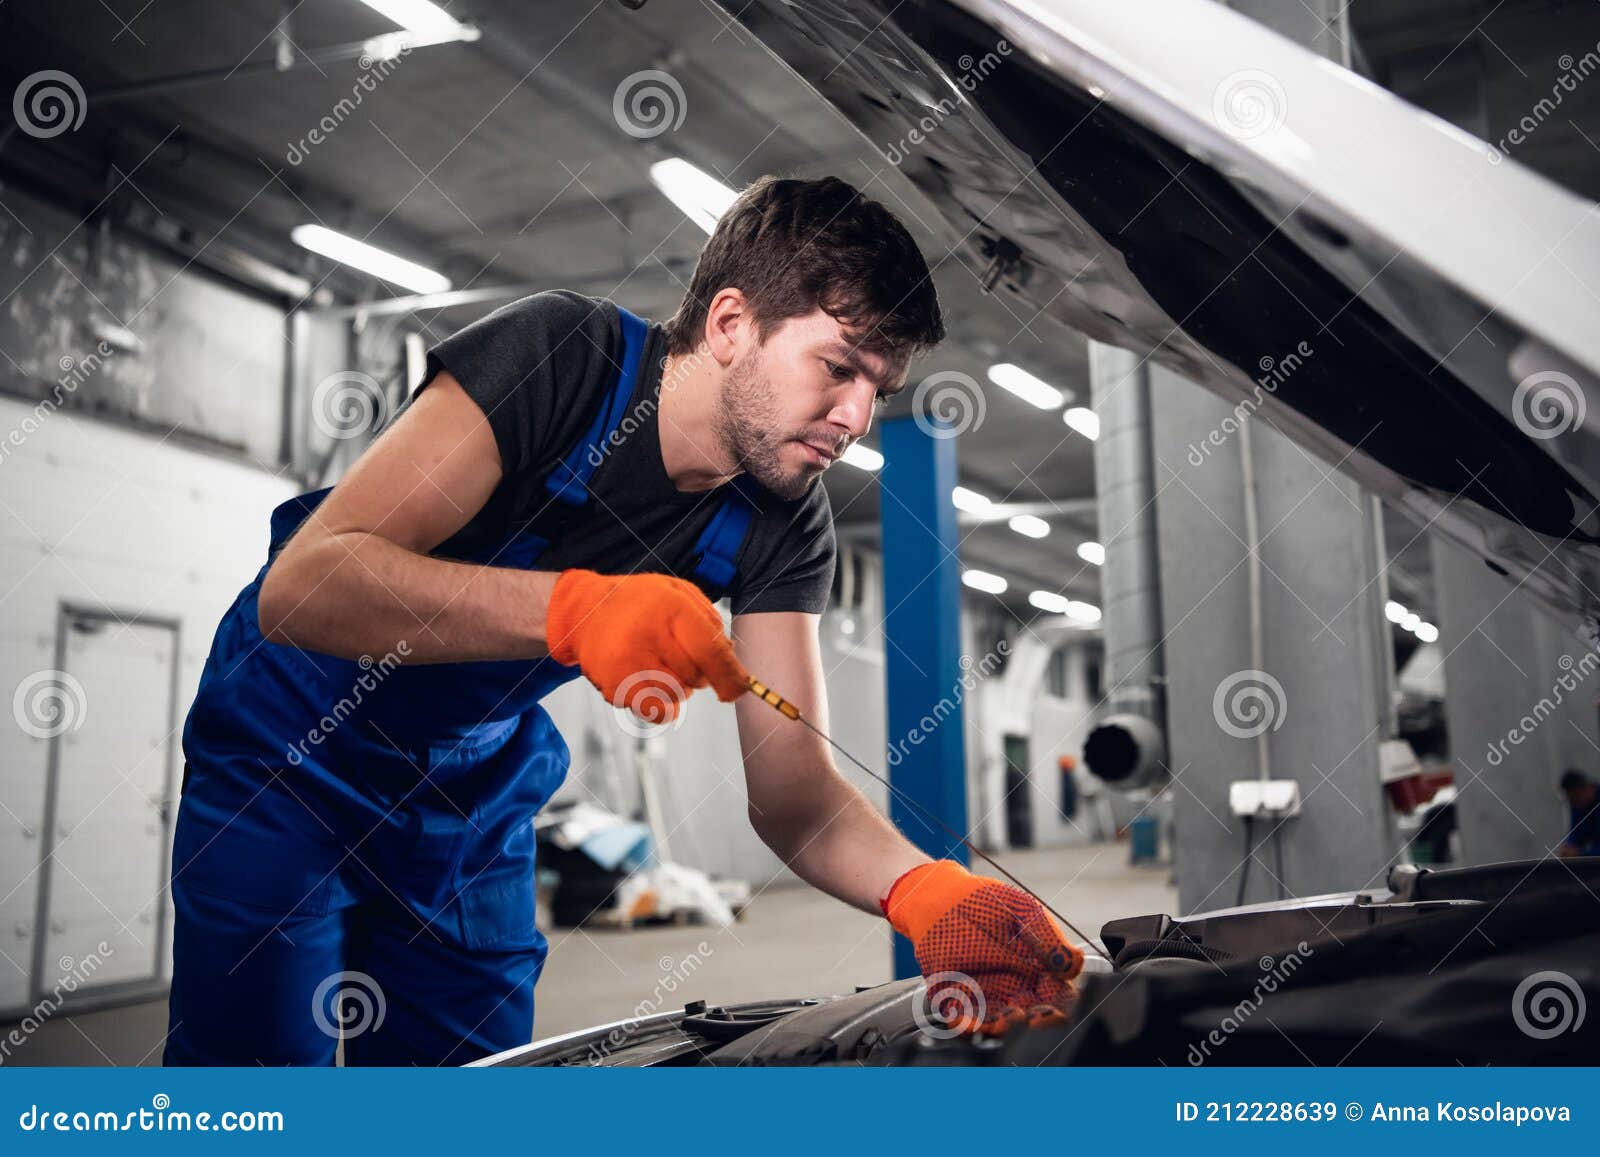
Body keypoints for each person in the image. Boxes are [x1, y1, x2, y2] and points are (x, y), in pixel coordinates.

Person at [164, 175, 1083, 1065]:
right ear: (730, 324)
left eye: (875, 391)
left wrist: (922, 887)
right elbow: (309, 586)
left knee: (467, 1088)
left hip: (464, 795)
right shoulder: (563, 361)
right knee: (255, 1069)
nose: (854, 418)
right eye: (837, 367)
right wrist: (576, 605)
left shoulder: (786, 521)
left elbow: (796, 796)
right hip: (293, 752)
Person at [1556, 769, 1600, 858]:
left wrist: (1581, 852)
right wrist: (1569, 847)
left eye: (1576, 797)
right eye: (1571, 800)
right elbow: (1575, 834)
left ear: (1586, 788)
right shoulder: (1578, 805)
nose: (1574, 804)